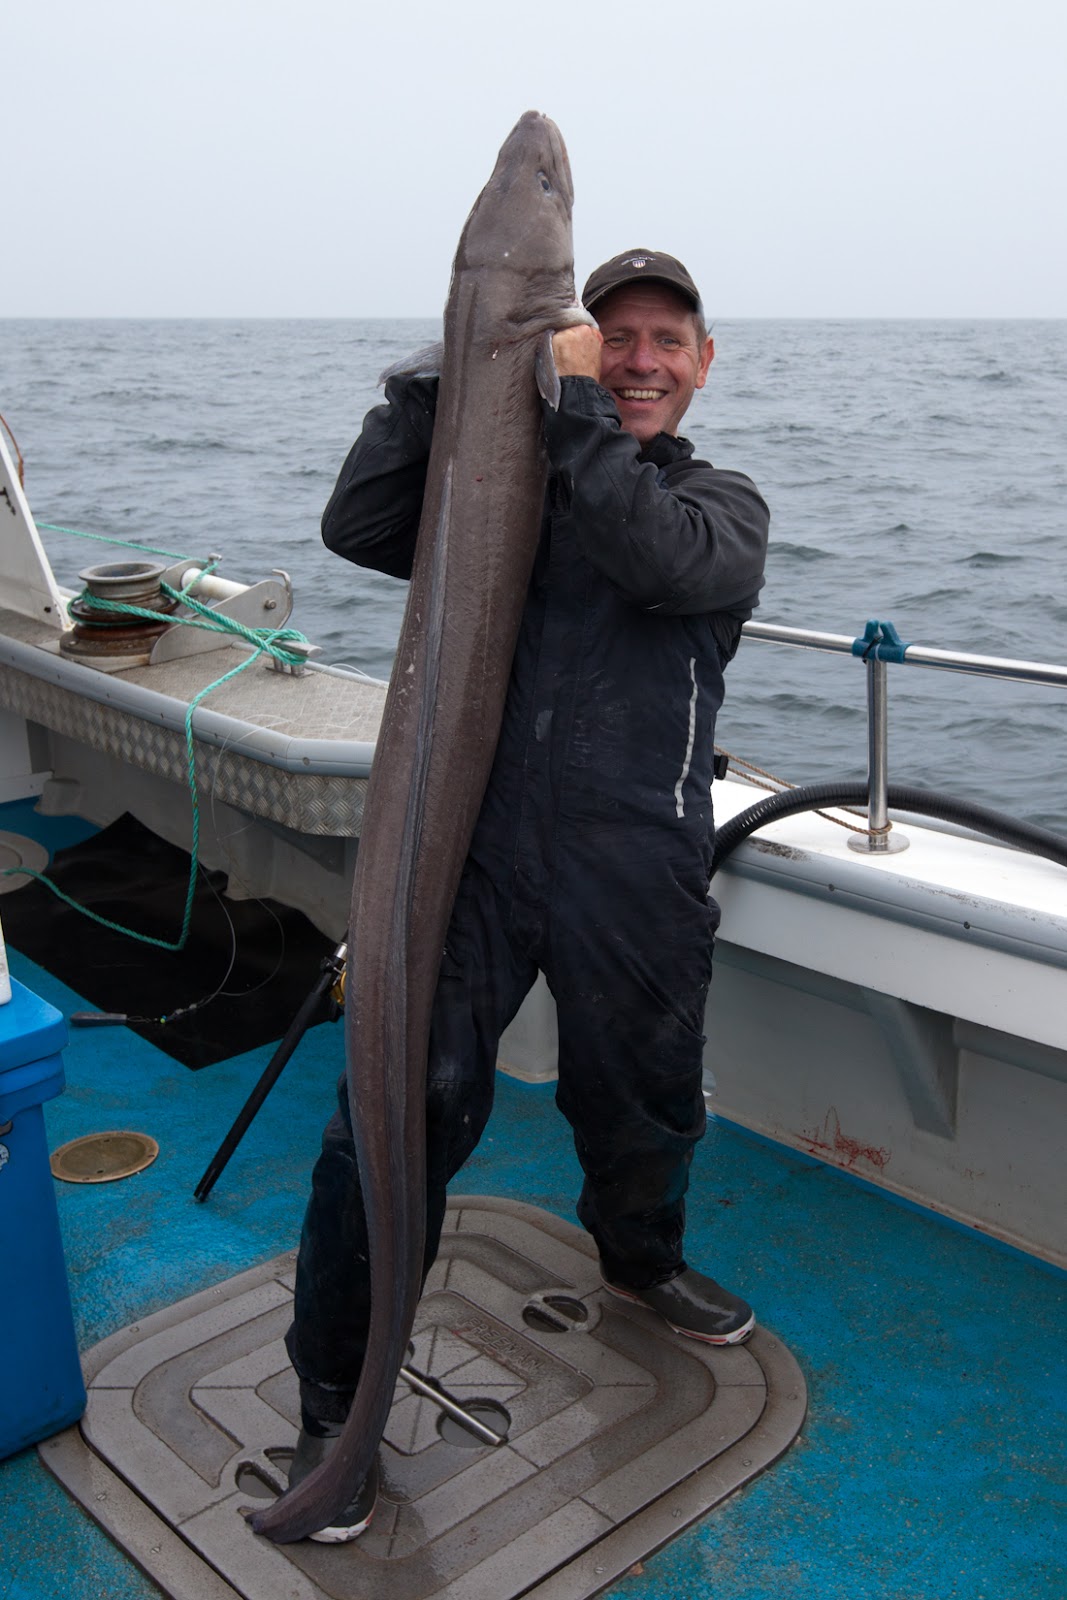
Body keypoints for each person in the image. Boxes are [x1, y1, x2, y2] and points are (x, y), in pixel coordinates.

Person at [284, 250, 770, 1541]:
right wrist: (441, 375)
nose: (641, 358)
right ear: (574, 351)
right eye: (613, 337)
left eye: (669, 339)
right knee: (391, 1119)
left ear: (703, 363)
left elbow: (660, 564)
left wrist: (565, 418)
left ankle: (639, 1258)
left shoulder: (719, 505)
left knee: (644, 1100)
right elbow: (359, 528)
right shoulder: (501, 498)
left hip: (638, 864)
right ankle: (331, 1395)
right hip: (472, 859)